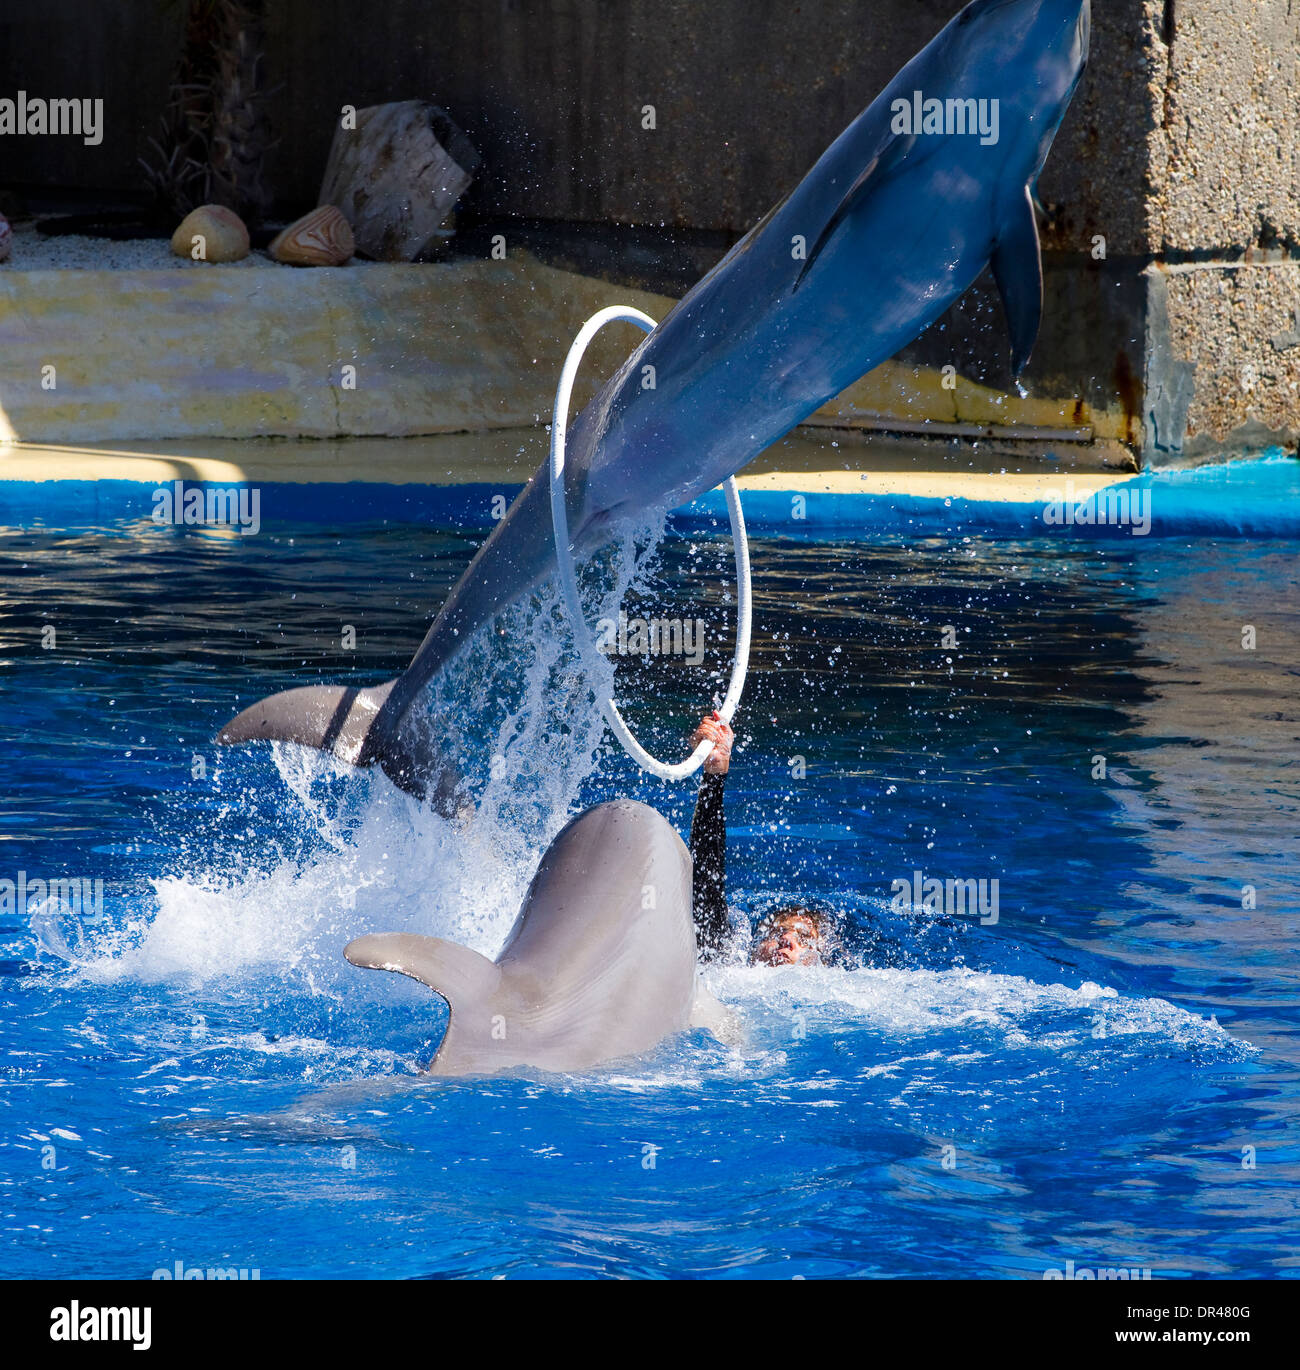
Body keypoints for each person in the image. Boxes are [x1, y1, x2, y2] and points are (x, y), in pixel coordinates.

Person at [687, 710, 833, 967]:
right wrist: (714, 775)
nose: (786, 939)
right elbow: (707, 875)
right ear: (753, 947)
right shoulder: (726, 967)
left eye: (804, 940)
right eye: (775, 933)